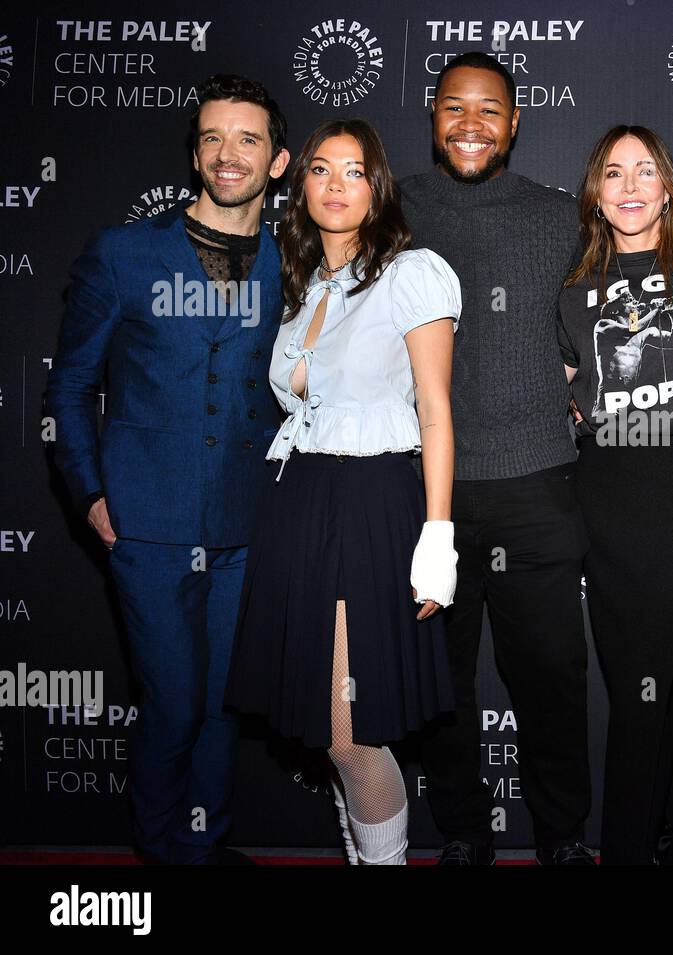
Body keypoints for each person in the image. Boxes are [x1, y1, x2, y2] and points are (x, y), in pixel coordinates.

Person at [45, 74, 290, 864]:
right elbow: (71, 385)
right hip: (145, 524)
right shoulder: (123, 254)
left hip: (247, 525)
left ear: (278, 162)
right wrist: (88, 494)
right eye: (213, 137)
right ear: (194, 152)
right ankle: (162, 856)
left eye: (247, 139)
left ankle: (204, 845)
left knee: (222, 705)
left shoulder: (295, 263)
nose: (228, 154)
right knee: (176, 703)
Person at [223, 118, 461, 865]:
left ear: (377, 187)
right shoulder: (303, 286)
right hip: (298, 503)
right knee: (325, 730)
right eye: (321, 169)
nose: (335, 185)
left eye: (354, 172)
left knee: (349, 733)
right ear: (302, 185)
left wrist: (438, 533)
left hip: (372, 503)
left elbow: (436, 406)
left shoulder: (412, 271)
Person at [400, 52, 594, 865]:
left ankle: (561, 837)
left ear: (515, 123)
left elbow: (600, 331)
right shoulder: (393, 208)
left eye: (489, 111)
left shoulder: (562, 218)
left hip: (538, 483)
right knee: (438, 684)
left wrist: (584, 384)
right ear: (433, 116)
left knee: (549, 681)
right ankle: (464, 833)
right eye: (455, 108)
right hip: (423, 492)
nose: (470, 125)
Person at [558, 126, 673, 864]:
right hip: (606, 486)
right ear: (596, 195)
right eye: (613, 173)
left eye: (644, 172)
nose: (630, 186)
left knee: (646, 670)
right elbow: (580, 388)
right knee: (646, 673)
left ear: (668, 187)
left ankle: (628, 848)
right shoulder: (575, 290)